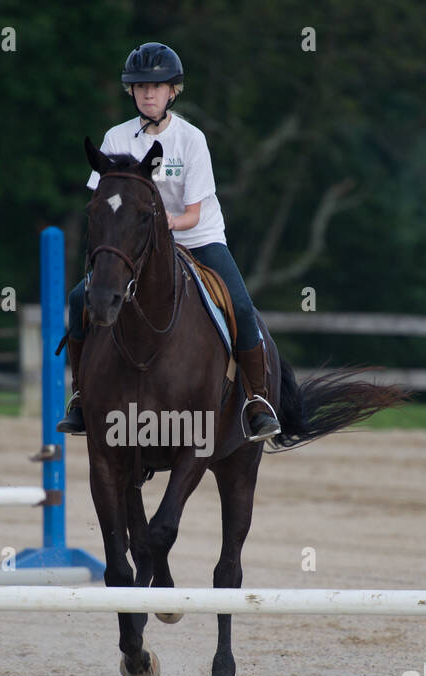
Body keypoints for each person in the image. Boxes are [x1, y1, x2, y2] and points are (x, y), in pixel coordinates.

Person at [57, 41, 281, 442]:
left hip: (197, 237)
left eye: (157, 86)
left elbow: (194, 213)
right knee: (78, 300)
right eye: (140, 86)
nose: (148, 93)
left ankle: (258, 400)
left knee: (242, 306)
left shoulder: (191, 140)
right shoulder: (115, 137)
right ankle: (80, 395)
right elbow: (102, 202)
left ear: (173, 91)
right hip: (135, 247)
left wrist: (162, 227)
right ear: (131, 91)